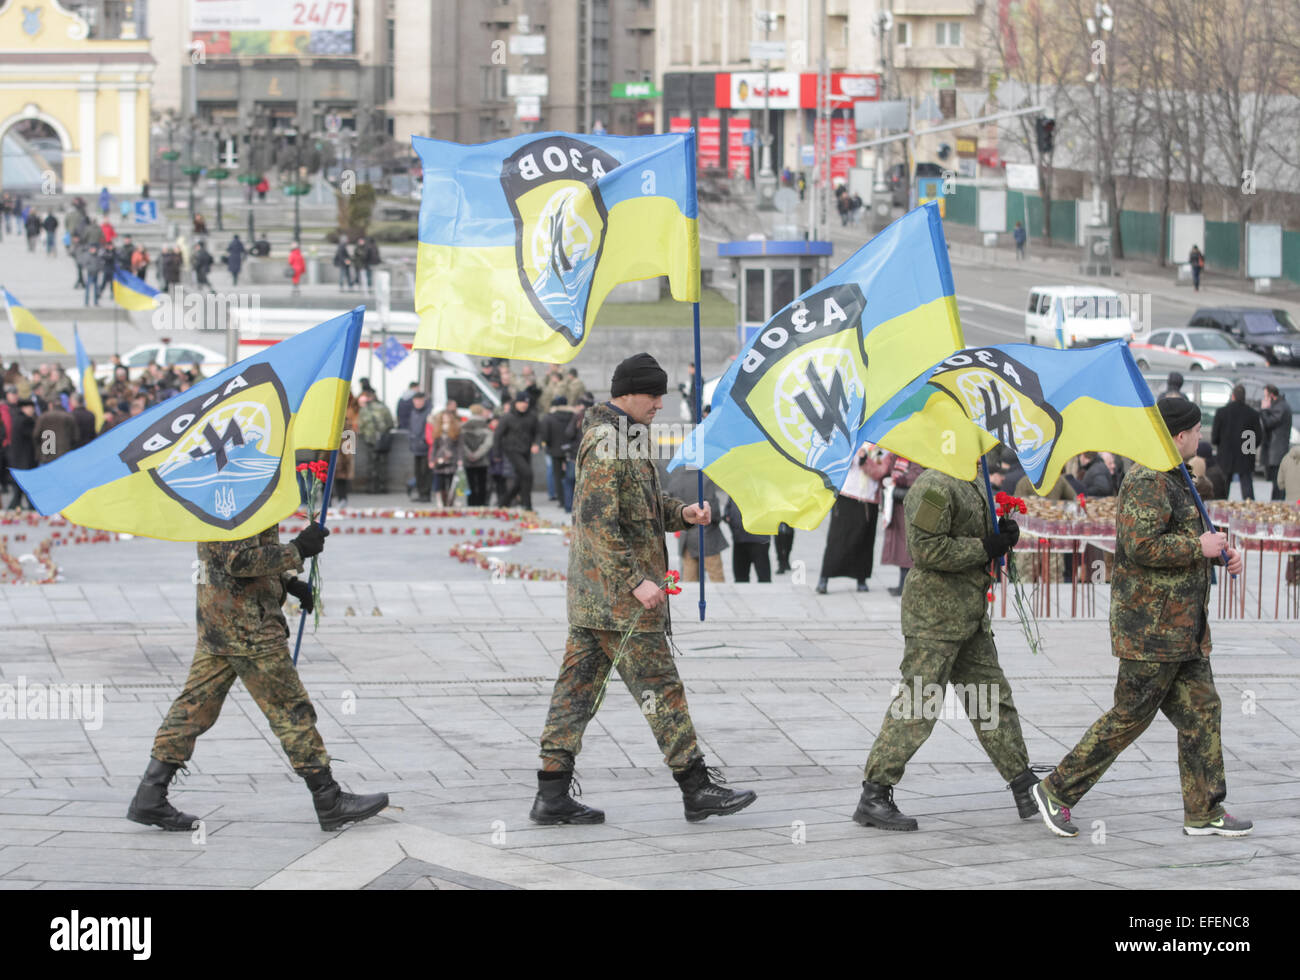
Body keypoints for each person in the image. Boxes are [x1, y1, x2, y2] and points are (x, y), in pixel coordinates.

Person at [531, 352, 757, 825]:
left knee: (575, 693)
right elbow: (597, 524)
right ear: (627, 393)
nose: (659, 404)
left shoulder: (629, 437)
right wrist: (636, 581)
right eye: (653, 395)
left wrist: (682, 514)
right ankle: (696, 788)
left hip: (598, 602)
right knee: (661, 688)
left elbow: (643, 506)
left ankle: (551, 792)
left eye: (662, 395)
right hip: (620, 603)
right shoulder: (606, 443)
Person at [1032, 397, 1252, 839]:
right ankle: (1056, 790)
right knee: (1130, 716)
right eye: (1196, 431)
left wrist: (1219, 551)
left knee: (1203, 711)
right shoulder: (1147, 479)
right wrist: (1197, 548)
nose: (1201, 437)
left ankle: (1204, 810)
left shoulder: (1178, 476)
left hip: (1184, 628)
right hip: (1151, 629)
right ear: (1179, 435)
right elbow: (1140, 545)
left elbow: (1186, 536)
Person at [126, 523, 391, 832]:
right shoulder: (237, 497)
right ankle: (328, 798)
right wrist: (296, 550)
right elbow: (238, 560)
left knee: (194, 708)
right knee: (290, 709)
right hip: (249, 627)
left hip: (220, 620)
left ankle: (150, 793)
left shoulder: (225, 494)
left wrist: (288, 582)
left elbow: (234, 555)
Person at [854, 465, 1036, 831]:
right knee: (919, 703)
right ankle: (874, 794)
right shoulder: (935, 485)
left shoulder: (973, 479)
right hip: (934, 617)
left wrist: (1000, 534)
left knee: (991, 698)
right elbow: (926, 549)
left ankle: (1023, 784)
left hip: (969, 615)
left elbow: (969, 531)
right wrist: (984, 547)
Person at [816, 448, 884, 594]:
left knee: (864, 541)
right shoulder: (849, 441)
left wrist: (865, 459)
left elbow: (881, 472)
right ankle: (824, 578)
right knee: (836, 540)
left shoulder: (881, 447)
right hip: (847, 495)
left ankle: (861, 579)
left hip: (868, 499)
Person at [666, 467, 727, 582]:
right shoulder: (706, 479)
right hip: (708, 537)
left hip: (687, 538)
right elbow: (714, 512)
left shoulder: (676, 480)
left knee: (690, 579)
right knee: (716, 577)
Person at [882, 454, 924, 596]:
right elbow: (886, 470)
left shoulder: (915, 457)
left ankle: (905, 586)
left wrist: (899, 479)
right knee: (901, 549)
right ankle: (902, 585)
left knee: (906, 550)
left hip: (909, 507)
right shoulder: (897, 456)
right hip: (897, 506)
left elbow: (916, 477)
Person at [1211, 384, 1262, 500]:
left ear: (1233, 396)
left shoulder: (1221, 412)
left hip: (1225, 454)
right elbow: (1258, 436)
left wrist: (1222, 446)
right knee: (1247, 487)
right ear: (1244, 397)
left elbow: (1215, 437)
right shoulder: (1252, 414)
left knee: (1223, 488)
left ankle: (1221, 508)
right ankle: (1249, 508)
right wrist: (1249, 448)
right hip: (1246, 454)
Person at [497, 393, 539, 510]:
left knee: (521, 479)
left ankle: (504, 502)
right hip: (512, 450)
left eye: (526, 403)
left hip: (526, 450)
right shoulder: (507, 417)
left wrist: (536, 443)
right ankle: (527, 504)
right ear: (516, 403)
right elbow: (498, 435)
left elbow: (537, 432)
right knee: (527, 474)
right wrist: (497, 453)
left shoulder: (532, 416)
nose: (523, 405)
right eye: (521, 403)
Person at [724, 497, 771, 582]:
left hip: (759, 539)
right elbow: (728, 508)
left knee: (764, 577)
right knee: (740, 578)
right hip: (739, 539)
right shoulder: (735, 490)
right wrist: (728, 516)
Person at [538, 395, 574, 507]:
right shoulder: (573, 416)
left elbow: (545, 436)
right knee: (572, 475)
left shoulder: (548, 417)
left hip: (555, 450)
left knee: (557, 476)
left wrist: (547, 445)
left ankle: (562, 501)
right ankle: (572, 500)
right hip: (571, 450)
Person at [357, 390, 395, 493]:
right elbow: (390, 424)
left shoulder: (364, 410)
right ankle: (383, 487)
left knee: (371, 464)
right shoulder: (384, 408)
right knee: (383, 464)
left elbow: (360, 427)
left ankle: (372, 487)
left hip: (370, 441)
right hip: (382, 440)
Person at [1259, 384, 1292, 501]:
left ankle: (1278, 504)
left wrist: (1264, 410)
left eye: (1265, 397)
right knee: (1274, 482)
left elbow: (1269, 423)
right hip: (1274, 451)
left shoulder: (1280, 408)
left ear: (1272, 396)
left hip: (1276, 452)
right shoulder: (1278, 406)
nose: (1264, 400)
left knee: (1277, 482)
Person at [426, 407, 461, 507]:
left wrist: (460, 459)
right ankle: (440, 500)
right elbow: (434, 447)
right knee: (439, 481)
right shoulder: (438, 430)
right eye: (444, 417)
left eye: (447, 417)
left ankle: (452, 499)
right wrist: (432, 459)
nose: (445, 419)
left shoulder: (456, 430)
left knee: (453, 481)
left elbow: (459, 446)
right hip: (440, 459)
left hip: (452, 458)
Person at [459, 404, 494, 506]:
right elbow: (488, 443)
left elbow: (461, 443)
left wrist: (469, 454)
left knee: (470, 483)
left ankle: (471, 502)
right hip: (482, 459)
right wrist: (478, 454)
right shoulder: (486, 426)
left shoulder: (464, 426)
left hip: (468, 460)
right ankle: (482, 503)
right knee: (482, 482)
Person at [334, 393, 360, 506]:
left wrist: (350, 450)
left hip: (345, 446)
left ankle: (342, 498)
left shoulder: (353, 405)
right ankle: (330, 501)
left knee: (341, 475)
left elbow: (354, 427)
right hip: (332, 446)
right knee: (326, 473)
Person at [407, 391, 432, 502]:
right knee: (418, 472)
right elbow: (411, 428)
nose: (417, 403)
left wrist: (423, 440)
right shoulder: (413, 412)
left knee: (425, 472)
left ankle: (426, 494)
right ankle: (420, 493)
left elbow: (429, 429)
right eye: (415, 401)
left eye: (419, 401)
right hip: (415, 446)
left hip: (426, 447)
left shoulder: (429, 412)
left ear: (423, 400)